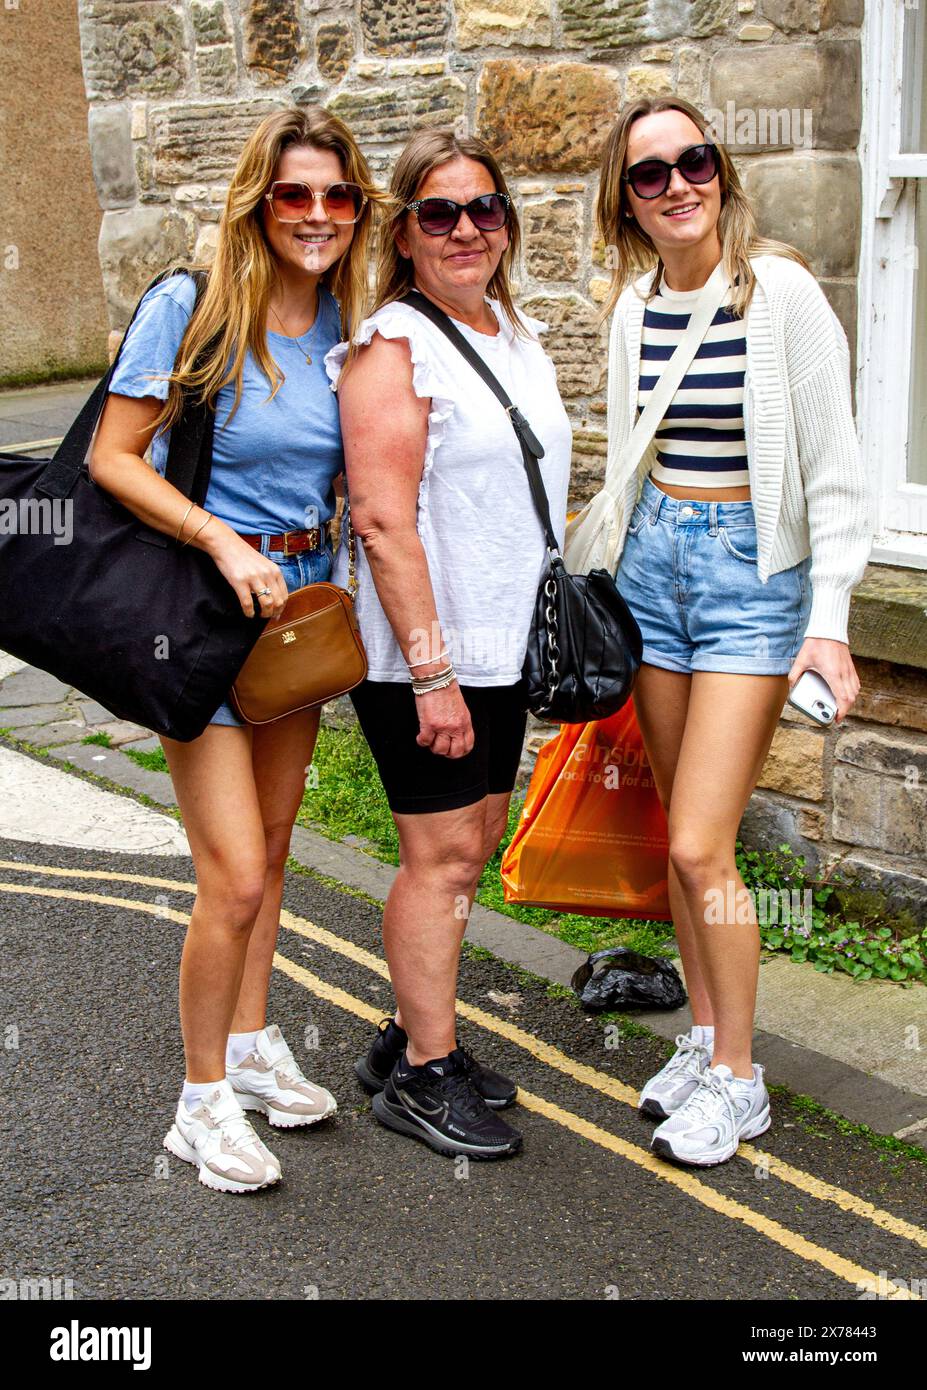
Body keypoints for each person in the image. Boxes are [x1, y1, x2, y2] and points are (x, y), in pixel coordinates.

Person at [90, 106, 379, 1193]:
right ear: (258, 201)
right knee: (234, 872)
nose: (315, 216)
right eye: (293, 195)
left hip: (296, 619)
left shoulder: (347, 316)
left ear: (358, 210)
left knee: (274, 848)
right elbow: (117, 457)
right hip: (201, 610)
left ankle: (252, 1047)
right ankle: (198, 1103)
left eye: (336, 197)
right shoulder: (195, 305)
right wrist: (216, 537)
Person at [593, 96, 871, 1167]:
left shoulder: (784, 295)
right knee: (677, 831)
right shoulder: (631, 309)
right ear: (625, 201)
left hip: (753, 580)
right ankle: (708, 1041)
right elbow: (625, 460)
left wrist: (832, 623)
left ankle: (743, 1083)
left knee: (708, 842)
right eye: (649, 175)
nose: (676, 186)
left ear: (722, 170)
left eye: (692, 161)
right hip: (656, 569)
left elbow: (837, 473)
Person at [325, 129, 573, 1161]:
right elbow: (384, 522)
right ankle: (424, 1077)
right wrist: (433, 676)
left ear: (506, 225)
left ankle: (411, 1036)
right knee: (439, 857)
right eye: (440, 212)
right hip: (422, 658)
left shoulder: (512, 329)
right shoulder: (392, 346)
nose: (466, 228)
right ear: (406, 233)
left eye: (484, 209)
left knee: (470, 848)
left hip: (499, 650)